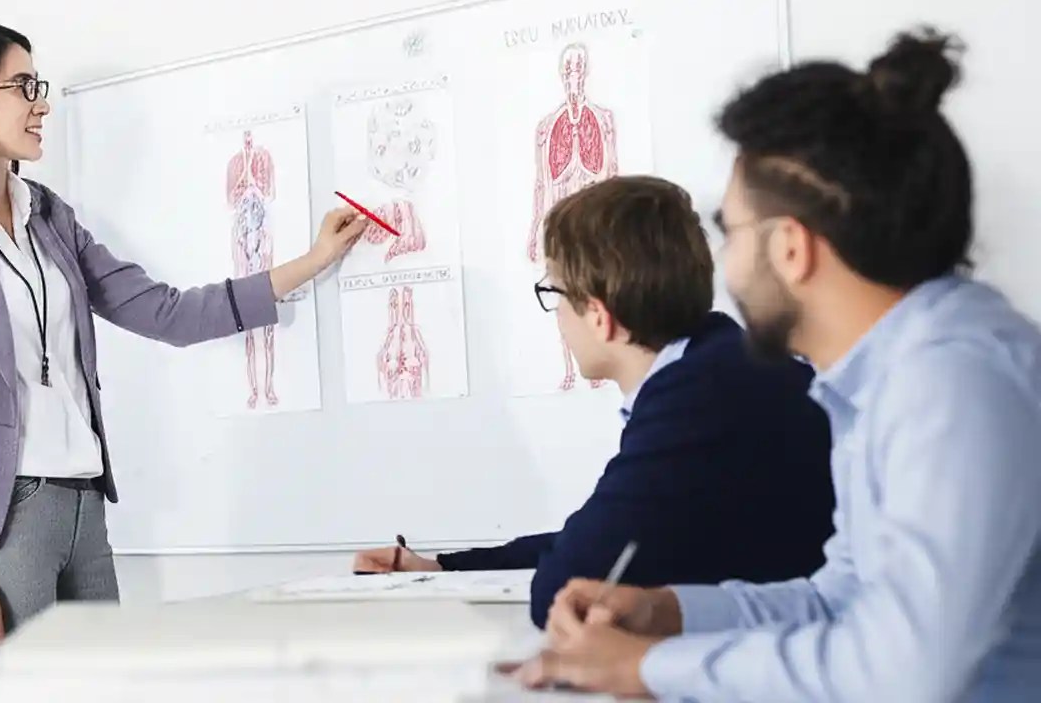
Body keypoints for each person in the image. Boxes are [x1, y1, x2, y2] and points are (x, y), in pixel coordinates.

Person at [519, 29, 1041, 702]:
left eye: (730, 232)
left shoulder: (951, 382)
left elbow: (904, 671)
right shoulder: (877, 383)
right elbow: (842, 600)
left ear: (791, 250)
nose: (724, 268)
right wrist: (668, 611)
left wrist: (645, 669)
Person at [0, 22, 367, 655]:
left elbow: (168, 313)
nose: (42, 102)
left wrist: (313, 259)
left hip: (84, 507)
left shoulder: (47, 216)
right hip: (2, 518)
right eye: (24, 86)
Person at [354, 175, 836, 628]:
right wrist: (440, 566)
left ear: (600, 317)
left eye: (555, 292)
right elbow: (606, 530)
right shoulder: (721, 365)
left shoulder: (697, 396)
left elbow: (564, 590)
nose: (557, 314)